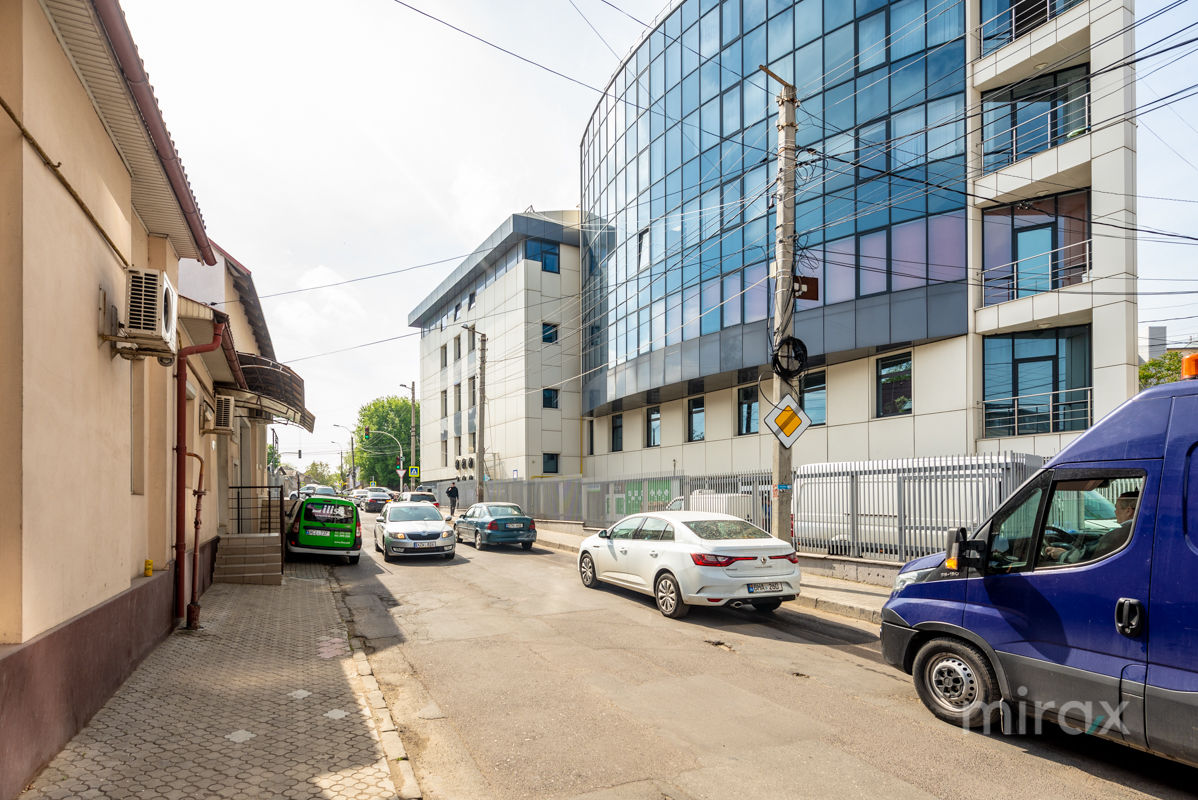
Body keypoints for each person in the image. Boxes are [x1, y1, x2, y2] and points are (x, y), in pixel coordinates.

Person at [1043, 490, 1138, 563]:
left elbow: (1087, 555)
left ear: (1128, 511)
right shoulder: (1135, 529)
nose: (1115, 512)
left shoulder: (1122, 532)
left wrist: (1061, 555)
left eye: (1116, 508)